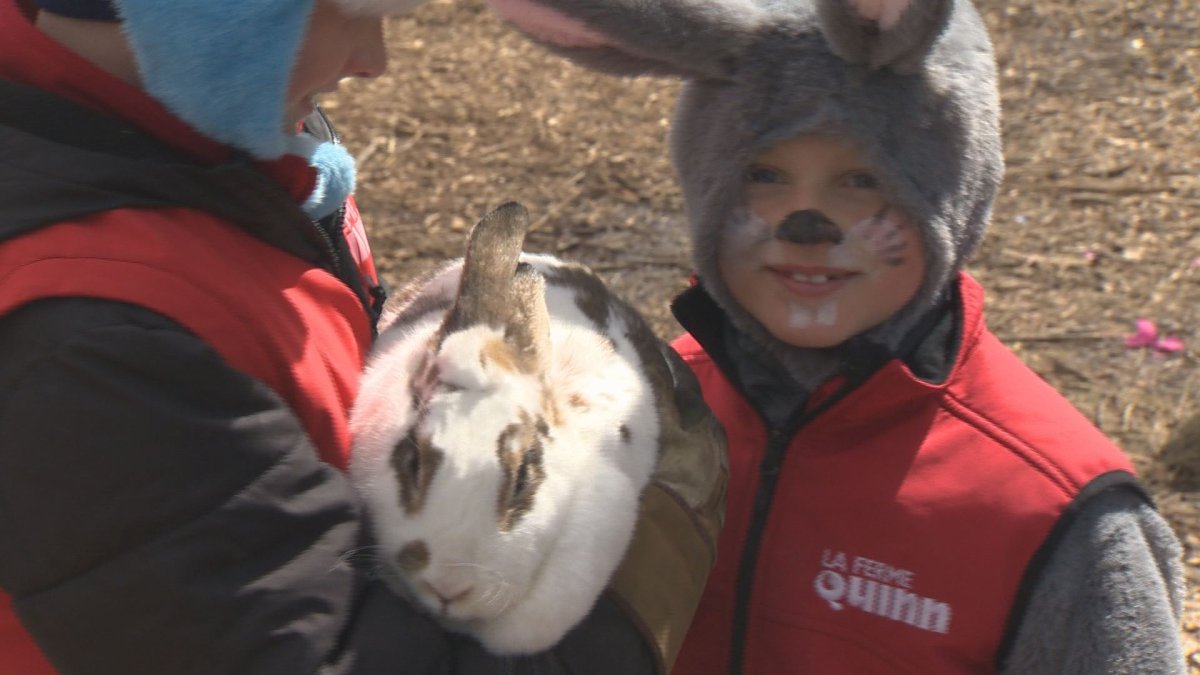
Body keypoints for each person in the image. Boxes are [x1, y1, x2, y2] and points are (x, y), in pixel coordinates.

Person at [0, 0, 727, 673]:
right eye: (348, 9)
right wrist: (638, 571)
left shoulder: (227, 142)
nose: (372, 59)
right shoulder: (99, 343)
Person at [481, 0, 1188, 672]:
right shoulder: (626, 424)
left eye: (860, 179)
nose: (806, 224)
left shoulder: (1053, 508)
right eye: (764, 175)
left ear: (951, 191)